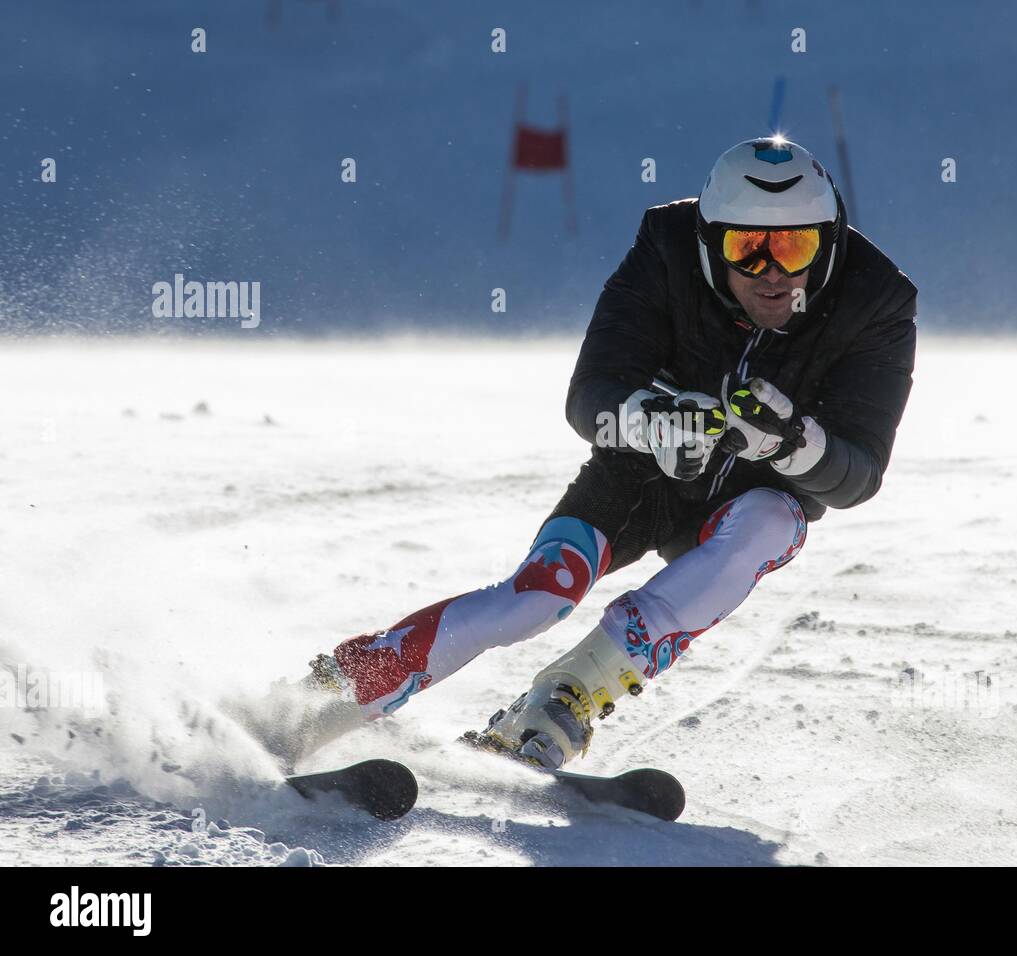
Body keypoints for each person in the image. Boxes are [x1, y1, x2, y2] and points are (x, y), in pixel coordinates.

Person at [274, 137, 917, 770]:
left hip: (752, 501)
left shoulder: (877, 301)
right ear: (708, 243)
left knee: (773, 520)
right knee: (535, 599)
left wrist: (790, 442)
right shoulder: (666, 250)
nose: (772, 273)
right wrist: (648, 422)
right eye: (746, 249)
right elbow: (591, 395)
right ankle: (338, 688)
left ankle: (566, 697)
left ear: (828, 245)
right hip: (638, 476)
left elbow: (857, 475)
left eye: (795, 246)